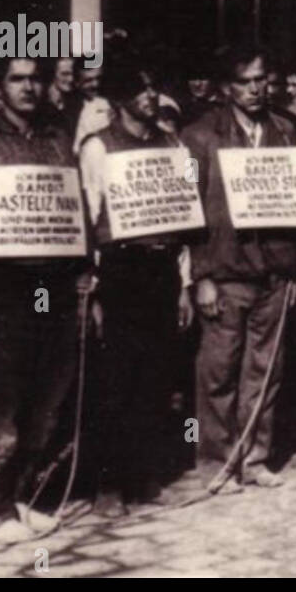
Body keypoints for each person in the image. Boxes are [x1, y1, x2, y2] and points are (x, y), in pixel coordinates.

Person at [0, 55, 91, 541]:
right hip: (3, 289)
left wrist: (85, 274)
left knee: (44, 401)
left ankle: (20, 495)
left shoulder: (56, 140)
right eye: (17, 79)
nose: (28, 88)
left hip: (53, 288)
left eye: (35, 79)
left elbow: (77, 213)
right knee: (0, 405)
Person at [181, 46, 296, 488]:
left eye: (261, 79)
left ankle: (255, 458)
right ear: (226, 88)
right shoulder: (201, 136)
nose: (256, 89)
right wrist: (200, 276)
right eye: (244, 81)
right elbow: (190, 211)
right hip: (225, 272)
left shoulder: (286, 130)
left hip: (275, 271)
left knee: (265, 371)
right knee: (218, 371)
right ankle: (218, 461)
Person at [78, 50, 195, 514]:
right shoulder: (98, 146)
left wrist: (185, 284)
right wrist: (91, 284)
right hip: (120, 270)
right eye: (139, 88)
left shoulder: (174, 145)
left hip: (161, 268)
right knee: (116, 379)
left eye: (153, 87)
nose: (149, 96)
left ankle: (143, 475)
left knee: (155, 376)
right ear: (120, 96)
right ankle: (107, 483)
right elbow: (87, 217)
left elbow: (184, 218)